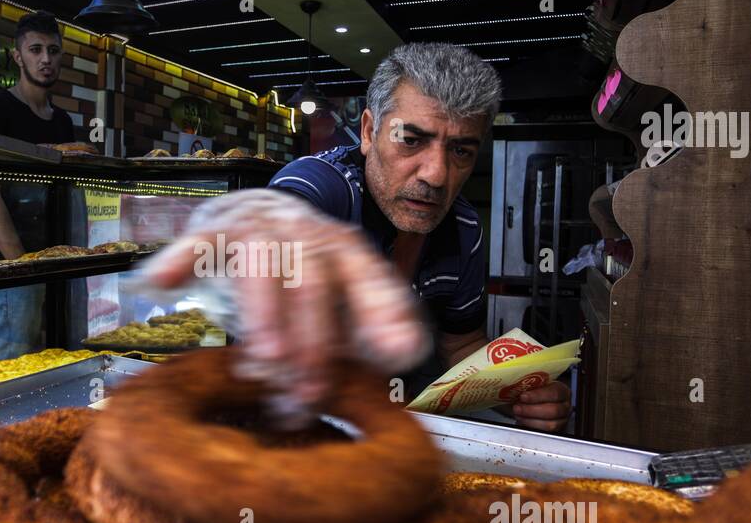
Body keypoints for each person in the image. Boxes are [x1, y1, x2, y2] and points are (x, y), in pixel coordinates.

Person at [141, 42, 572, 432]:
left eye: (460, 150)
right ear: (368, 132)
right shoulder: (325, 186)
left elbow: (460, 343)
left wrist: (516, 391)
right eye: (411, 140)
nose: (436, 175)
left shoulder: (464, 230)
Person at [0, 10, 76, 359]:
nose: (46, 59)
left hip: (60, 262)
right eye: (35, 50)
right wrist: (23, 267)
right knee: (18, 363)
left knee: (62, 353)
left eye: (53, 50)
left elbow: (67, 194)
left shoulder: (63, 121)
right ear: (17, 56)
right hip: (16, 264)